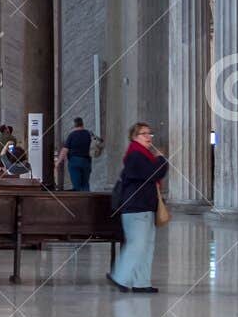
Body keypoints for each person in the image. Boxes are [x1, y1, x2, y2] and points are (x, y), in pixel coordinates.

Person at [108, 122, 168, 294]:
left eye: (150, 133)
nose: (149, 137)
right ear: (134, 137)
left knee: (147, 246)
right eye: (144, 134)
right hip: (136, 208)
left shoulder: (143, 155)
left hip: (145, 207)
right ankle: (119, 276)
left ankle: (141, 282)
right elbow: (155, 173)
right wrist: (161, 159)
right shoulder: (136, 155)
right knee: (137, 245)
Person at [63, 117, 95, 191]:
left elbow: (65, 149)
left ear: (74, 125)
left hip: (74, 161)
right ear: (82, 124)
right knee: (85, 183)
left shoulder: (72, 135)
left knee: (77, 185)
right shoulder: (88, 134)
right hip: (86, 161)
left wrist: (58, 162)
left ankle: (80, 200)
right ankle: (87, 200)